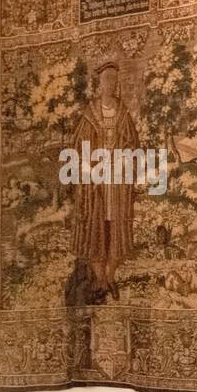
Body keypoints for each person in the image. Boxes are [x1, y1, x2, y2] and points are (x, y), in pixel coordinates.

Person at [71, 62, 141, 302]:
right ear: (98, 85)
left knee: (116, 227)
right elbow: (79, 147)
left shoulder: (123, 113)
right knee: (96, 226)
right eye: (105, 81)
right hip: (96, 182)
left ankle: (110, 276)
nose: (109, 85)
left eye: (113, 80)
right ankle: (100, 279)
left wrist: (123, 159)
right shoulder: (90, 114)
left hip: (118, 181)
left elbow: (133, 143)